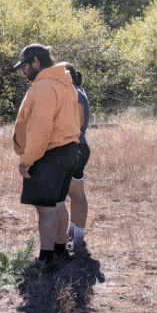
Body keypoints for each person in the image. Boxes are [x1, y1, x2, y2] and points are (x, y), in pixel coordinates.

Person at [12, 44, 81, 271]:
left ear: (36, 62)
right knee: (58, 203)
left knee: (45, 210)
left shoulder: (43, 86)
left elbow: (41, 129)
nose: (23, 70)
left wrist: (27, 161)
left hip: (50, 154)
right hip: (68, 152)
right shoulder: (63, 82)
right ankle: (60, 252)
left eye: (24, 65)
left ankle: (46, 259)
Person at [60, 62, 90, 250]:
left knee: (76, 195)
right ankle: (73, 231)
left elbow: (77, 124)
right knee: (73, 194)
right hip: (75, 147)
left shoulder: (76, 93)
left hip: (75, 148)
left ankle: (77, 238)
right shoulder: (75, 91)